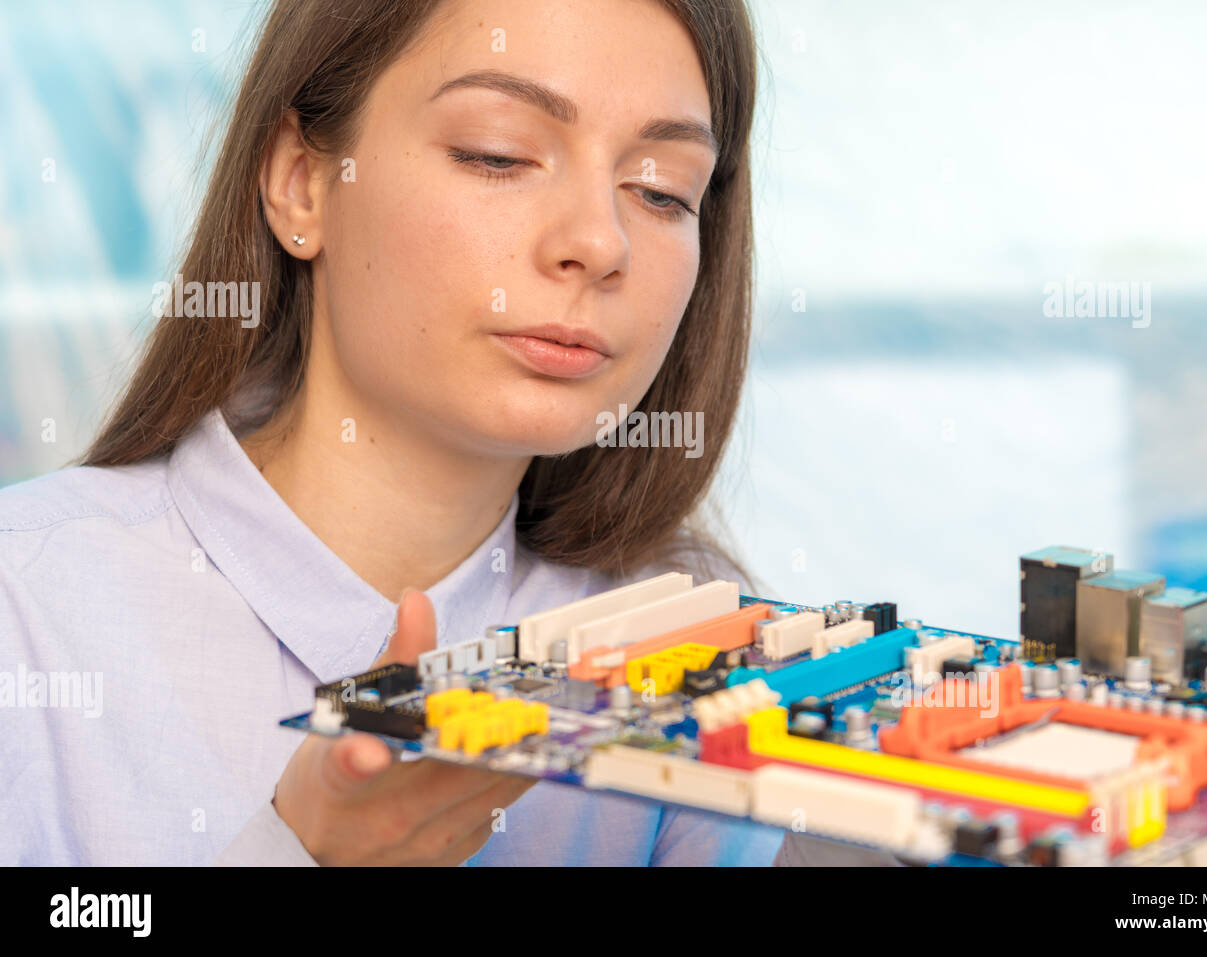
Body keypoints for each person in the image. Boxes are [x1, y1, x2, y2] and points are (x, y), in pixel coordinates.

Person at [0, 0, 784, 866]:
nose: (599, 243)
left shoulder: (692, 635)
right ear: (302, 181)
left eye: (661, 191)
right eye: (498, 153)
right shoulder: (26, 612)